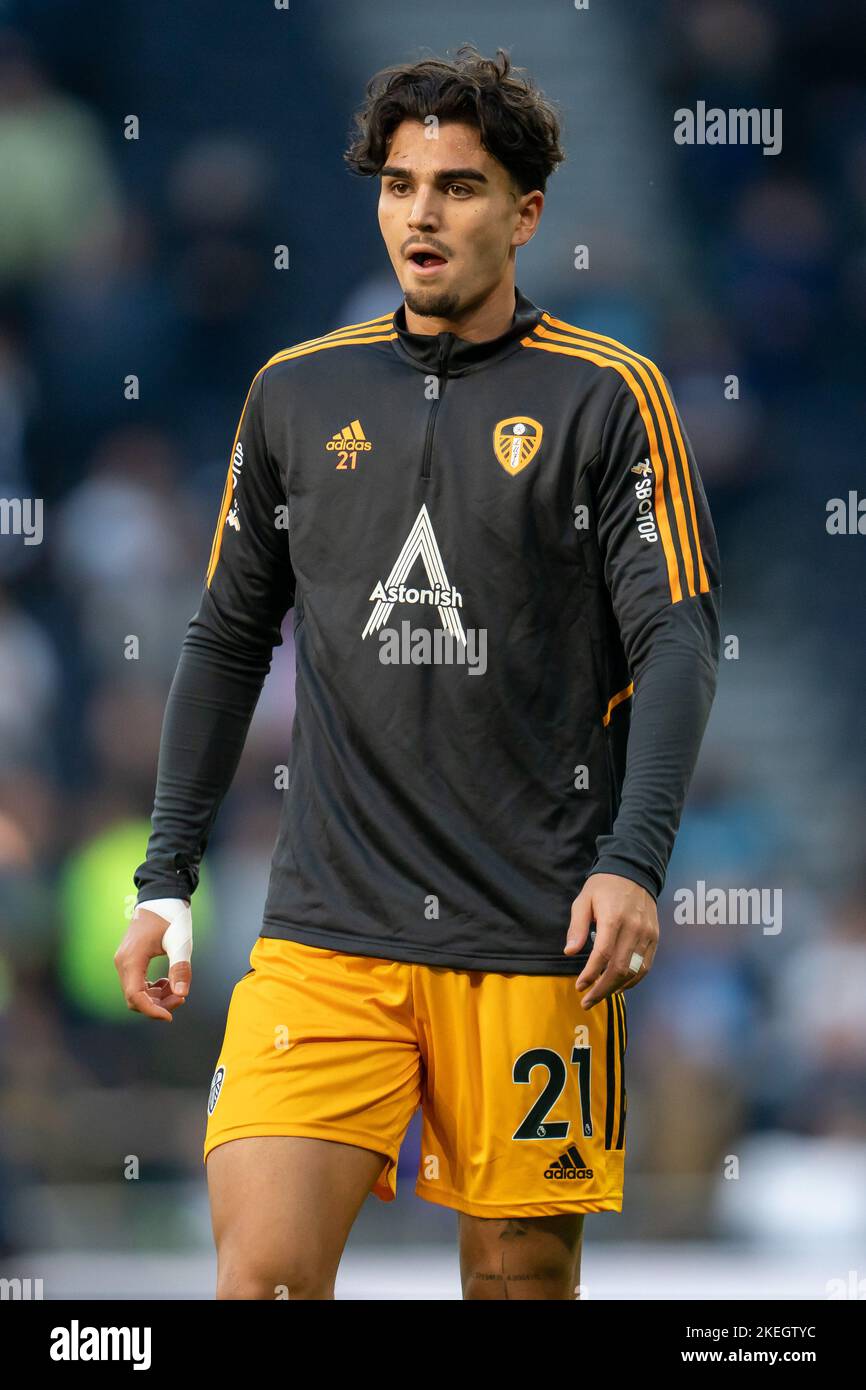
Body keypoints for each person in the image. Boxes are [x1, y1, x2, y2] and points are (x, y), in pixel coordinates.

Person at [115, 44, 721, 1300]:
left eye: (455, 185)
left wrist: (632, 863)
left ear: (524, 211)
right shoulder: (294, 395)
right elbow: (227, 636)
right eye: (398, 185)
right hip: (326, 936)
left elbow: (674, 638)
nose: (420, 213)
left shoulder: (610, 399)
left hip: (536, 934)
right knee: (263, 1281)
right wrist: (165, 877)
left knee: (514, 1293)